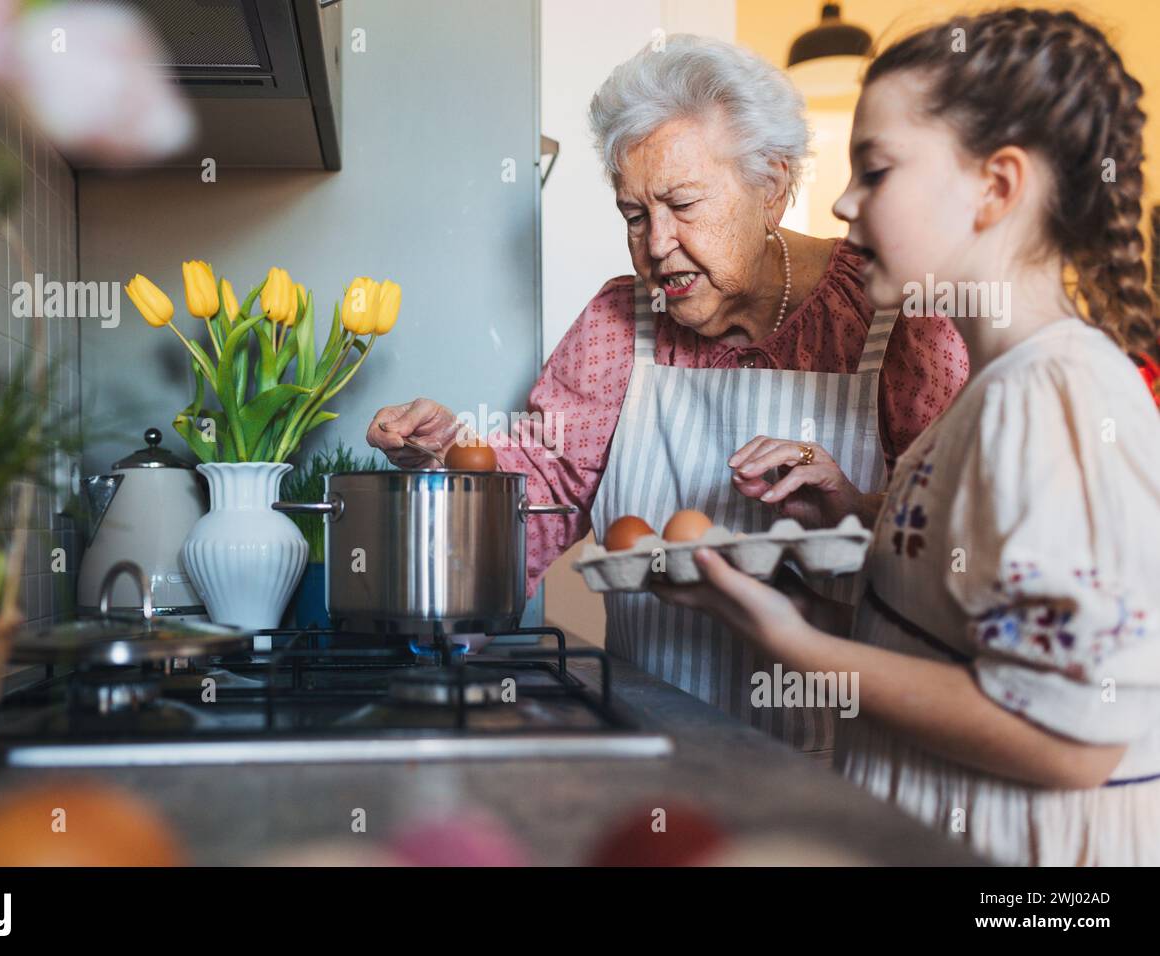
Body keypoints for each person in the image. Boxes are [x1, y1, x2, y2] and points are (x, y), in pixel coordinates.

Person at [653, 7, 1160, 865]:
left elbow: (1070, 737)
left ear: (996, 188)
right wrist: (845, 545)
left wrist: (795, 645)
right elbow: (967, 634)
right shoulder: (997, 391)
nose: (845, 202)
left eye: (875, 170)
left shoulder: (1052, 395)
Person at [367, 34, 967, 752]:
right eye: (633, 214)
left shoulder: (896, 317)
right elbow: (538, 495)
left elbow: (955, 558)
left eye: (683, 204)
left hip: (850, 764)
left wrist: (854, 505)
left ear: (772, 187)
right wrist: (448, 460)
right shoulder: (620, 324)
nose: (656, 244)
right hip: (656, 746)